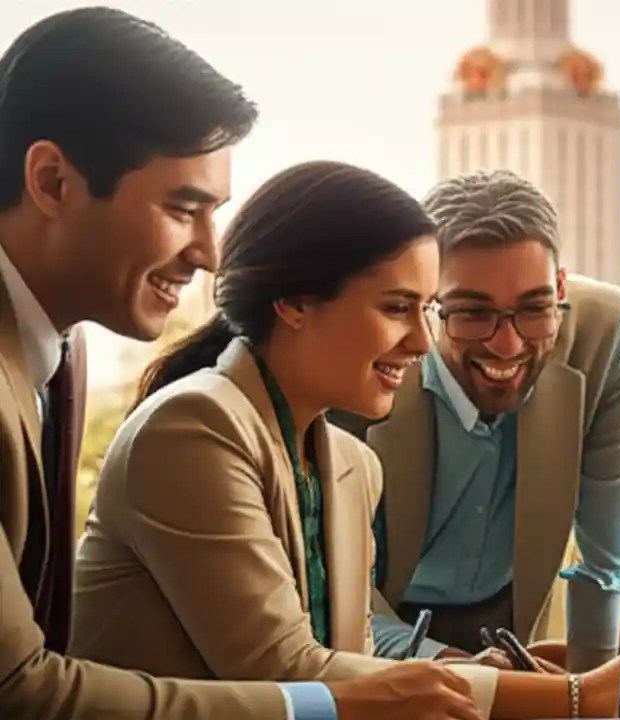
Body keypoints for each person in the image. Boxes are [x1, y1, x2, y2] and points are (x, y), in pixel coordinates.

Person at [0, 8, 504, 719]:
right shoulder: (193, 422)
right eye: (184, 209)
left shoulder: (58, 352)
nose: (210, 253)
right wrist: (570, 698)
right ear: (52, 182)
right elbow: (16, 690)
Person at [340, 169, 620, 674]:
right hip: (375, 618)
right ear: (426, 300)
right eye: (470, 313)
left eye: (535, 308)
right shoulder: (364, 349)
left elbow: (604, 565)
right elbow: (332, 590)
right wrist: (442, 663)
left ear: (561, 286)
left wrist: (584, 692)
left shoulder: (607, 336)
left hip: (510, 617)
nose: (507, 345)